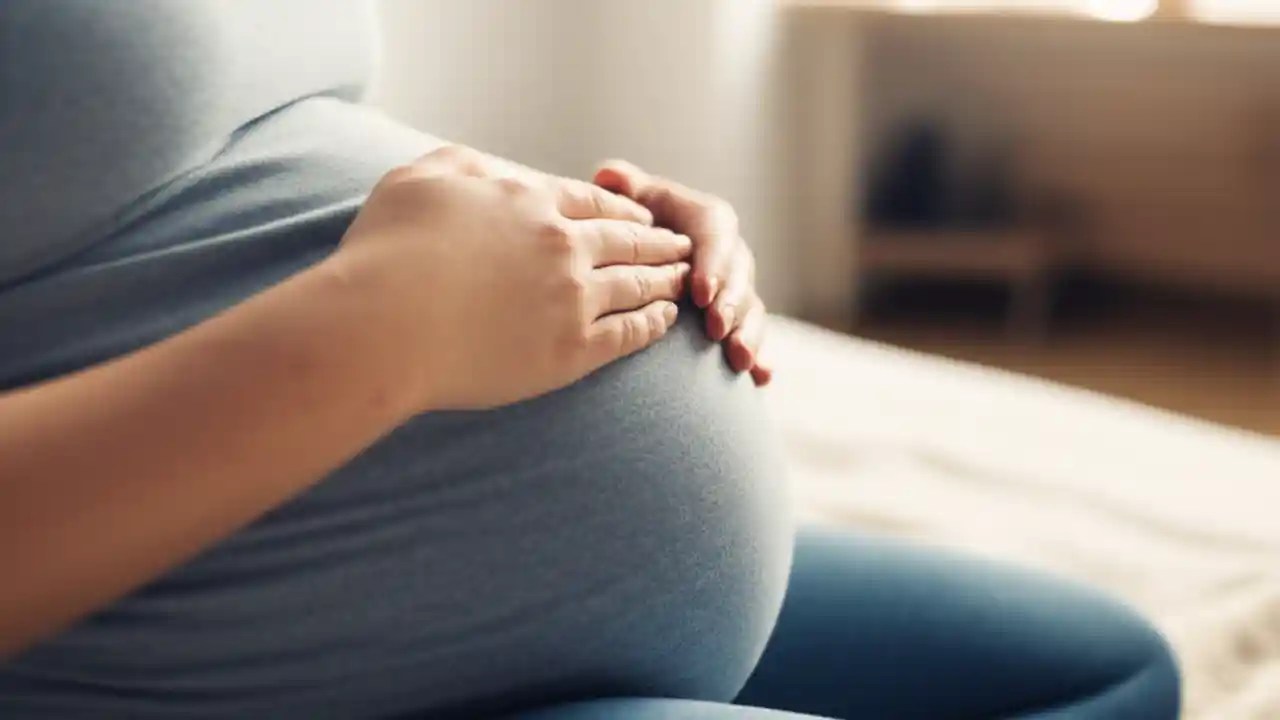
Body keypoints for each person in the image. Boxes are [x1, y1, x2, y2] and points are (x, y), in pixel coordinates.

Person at [0, 2, 1179, 718]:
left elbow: (195, 163)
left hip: (431, 582)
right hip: (196, 658)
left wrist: (572, 231)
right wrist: (383, 324)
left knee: (1103, 673)